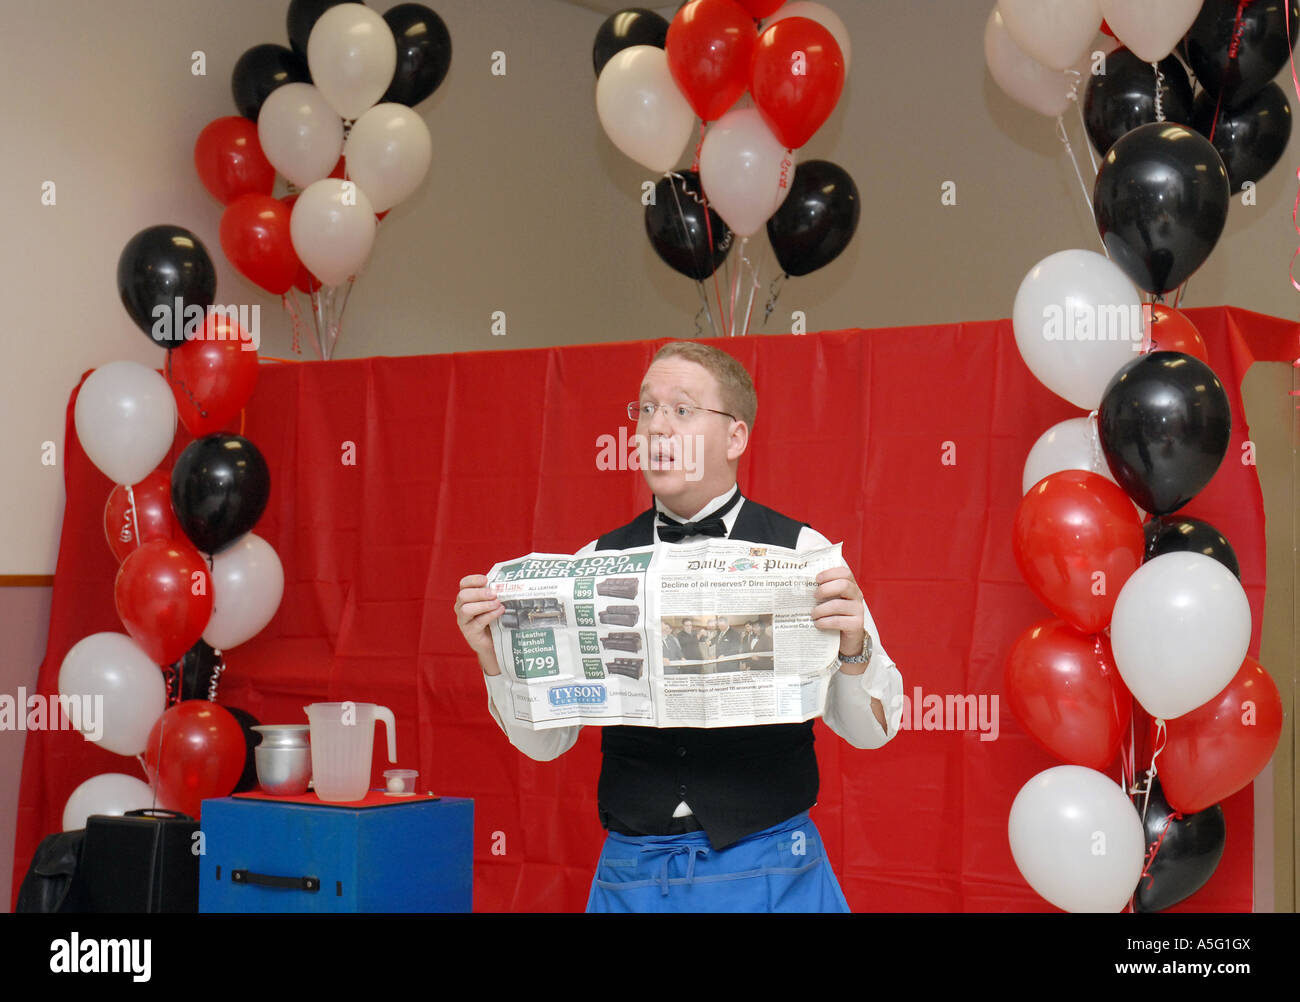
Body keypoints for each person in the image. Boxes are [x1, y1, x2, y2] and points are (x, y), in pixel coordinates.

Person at [454, 340, 903, 912]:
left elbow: (871, 733)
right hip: (634, 876)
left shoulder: (804, 554)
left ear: (735, 437)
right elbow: (545, 745)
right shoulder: (593, 561)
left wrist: (855, 647)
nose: (656, 427)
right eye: (646, 410)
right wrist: (496, 659)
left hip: (772, 868)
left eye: (682, 410)